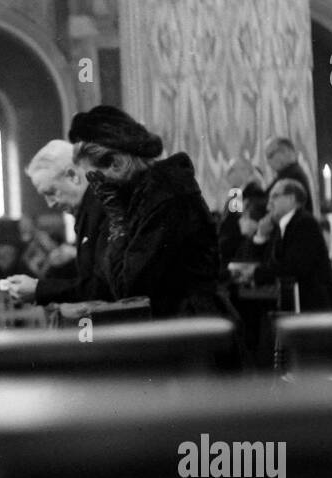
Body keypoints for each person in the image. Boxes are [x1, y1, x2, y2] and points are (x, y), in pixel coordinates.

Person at [68, 105, 234, 321]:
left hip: (193, 331)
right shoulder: (141, 194)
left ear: (115, 163)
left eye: (94, 177)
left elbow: (128, 288)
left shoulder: (165, 196)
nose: (95, 189)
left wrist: (117, 219)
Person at [2, 140, 112, 306]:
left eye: (51, 192)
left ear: (73, 176)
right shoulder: (87, 212)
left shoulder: (102, 209)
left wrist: (39, 289)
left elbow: (104, 287)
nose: (50, 204)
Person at [247, 179, 332, 311]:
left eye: (274, 196)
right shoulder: (280, 226)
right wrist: (260, 236)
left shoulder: (305, 223)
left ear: (291, 199)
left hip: (314, 307)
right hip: (293, 304)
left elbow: (295, 267)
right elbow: (267, 261)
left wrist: (256, 273)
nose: (268, 205)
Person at [263, 136, 314, 210]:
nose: (268, 162)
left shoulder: (293, 175)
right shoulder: (287, 173)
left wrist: (245, 188)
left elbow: (265, 205)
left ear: (285, 151)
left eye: (270, 155)